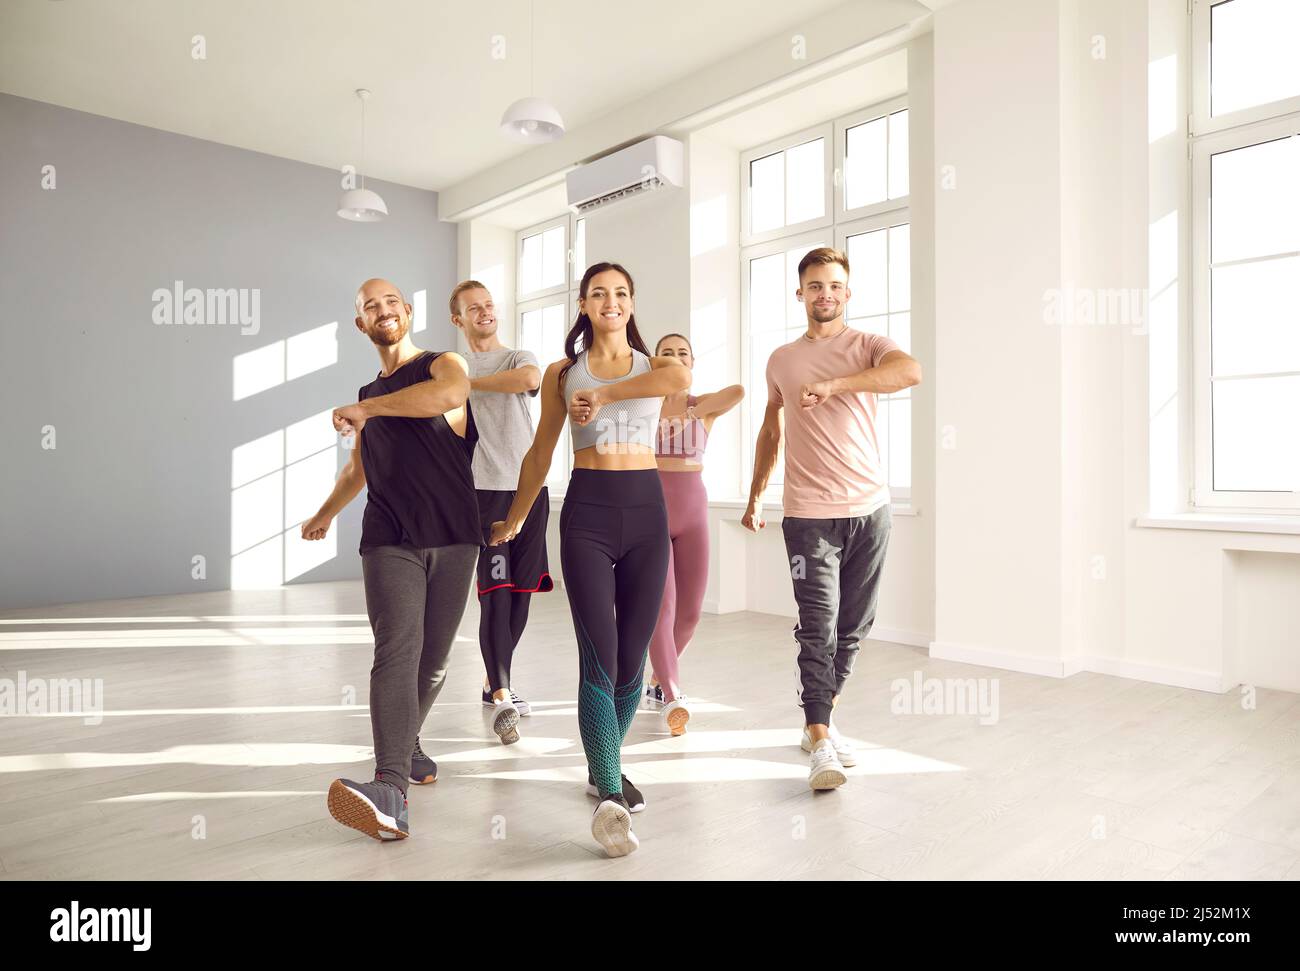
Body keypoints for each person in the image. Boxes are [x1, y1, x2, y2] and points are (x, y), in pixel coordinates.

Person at [489, 262, 690, 857]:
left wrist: (603, 394)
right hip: (589, 516)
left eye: (621, 293)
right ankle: (608, 789)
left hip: (647, 515)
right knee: (598, 652)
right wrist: (518, 517)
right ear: (584, 303)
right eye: (599, 292)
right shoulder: (560, 373)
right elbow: (539, 452)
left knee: (633, 658)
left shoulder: (656, 367)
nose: (611, 300)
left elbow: (675, 377)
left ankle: (606, 763)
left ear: (631, 305)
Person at [303, 277, 480, 840]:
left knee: (433, 662)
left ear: (406, 311)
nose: (382, 310)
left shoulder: (442, 365)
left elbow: (450, 398)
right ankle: (390, 789)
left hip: (454, 536)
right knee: (397, 650)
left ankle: (411, 748)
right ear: (362, 324)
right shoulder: (367, 396)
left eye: (390, 302)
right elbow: (358, 470)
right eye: (368, 306)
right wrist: (327, 512)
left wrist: (366, 408)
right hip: (388, 538)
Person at [742, 248, 922, 791]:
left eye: (835, 286)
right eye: (815, 286)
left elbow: (909, 372)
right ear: (800, 294)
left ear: (848, 293)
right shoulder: (780, 359)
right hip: (808, 515)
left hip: (871, 510)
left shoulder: (869, 347)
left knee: (855, 626)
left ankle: (823, 717)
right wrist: (755, 497)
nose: (826, 294)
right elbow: (771, 432)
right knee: (817, 625)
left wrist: (838, 385)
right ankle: (820, 738)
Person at [449, 280, 552, 745]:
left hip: (529, 490)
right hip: (481, 493)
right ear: (459, 319)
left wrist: (467, 385)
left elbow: (530, 381)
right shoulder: (451, 365)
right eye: (474, 308)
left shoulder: (515, 357)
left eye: (489, 305)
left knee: (522, 594)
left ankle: (495, 682)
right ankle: (504, 694)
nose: (485, 312)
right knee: (496, 591)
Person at [642, 333, 743, 735]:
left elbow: (737, 391)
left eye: (683, 353)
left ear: (692, 362)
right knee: (662, 609)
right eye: (666, 352)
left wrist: (695, 405)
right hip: (650, 512)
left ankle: (655, 680)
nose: (675, 358)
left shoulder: (702, 407)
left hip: (694, 511)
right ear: (654, 361)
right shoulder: (642, 407)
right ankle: (672, 694)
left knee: (690, 613)